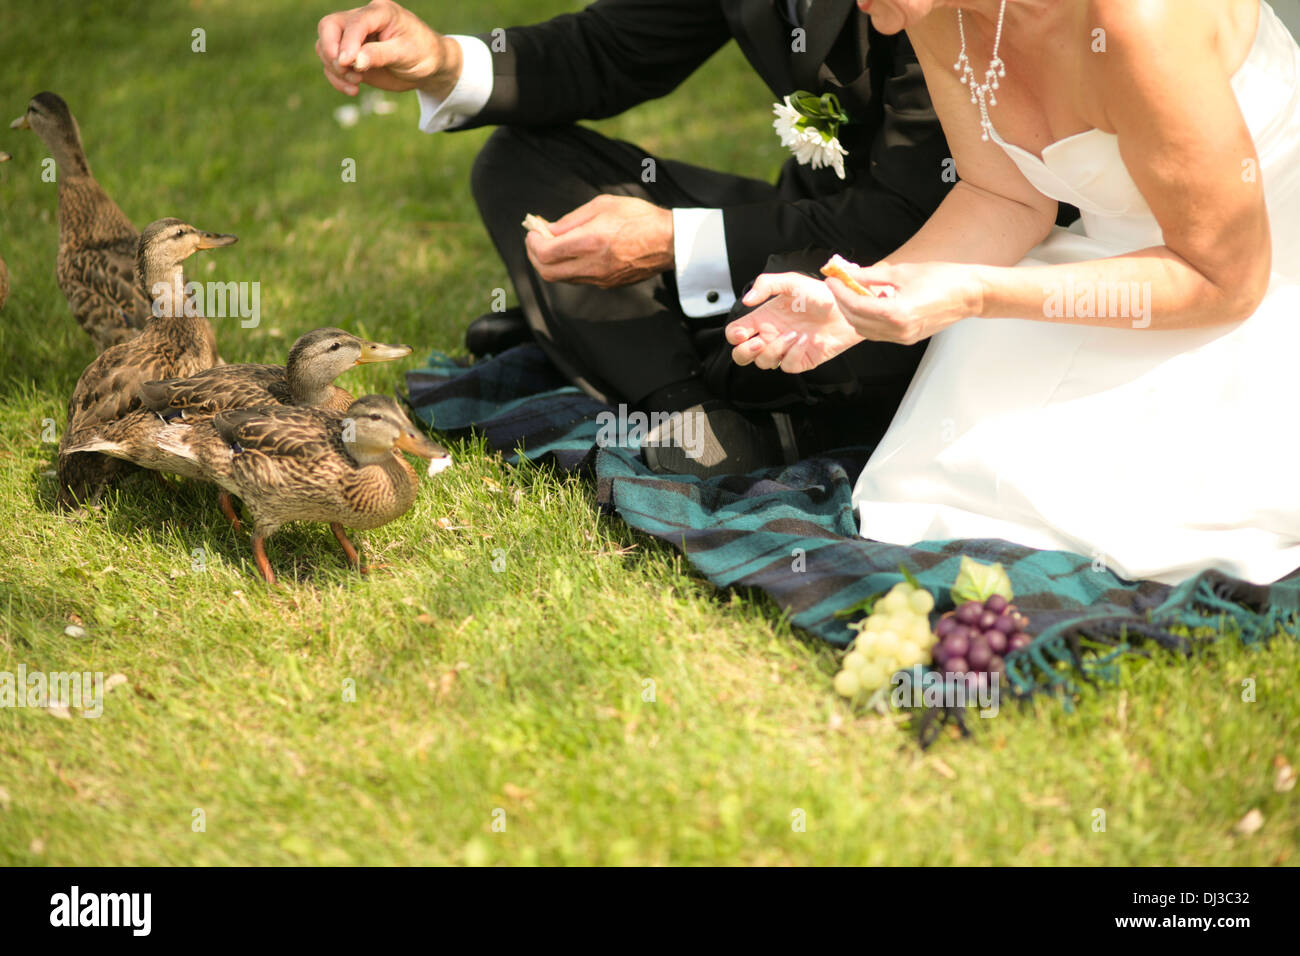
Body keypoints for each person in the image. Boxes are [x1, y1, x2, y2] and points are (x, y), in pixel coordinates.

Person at [724, 0, 1300, 585]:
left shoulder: (1137, 20)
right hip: (1105, 275)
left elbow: (1224, 280)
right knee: (941, 501)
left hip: (1263, 294)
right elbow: (1005, 196)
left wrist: (977, 295)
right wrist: (853, 305)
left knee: (1114, 530)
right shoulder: (937, 12)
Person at [315, 0, 960, 475]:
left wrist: (675, 240)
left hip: (920, 257)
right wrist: (441, 60)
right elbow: (607, 51)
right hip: (799, 217)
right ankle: (691, 409)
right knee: (522, 166)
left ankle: (604, 344)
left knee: (830, 319)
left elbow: (907, 216)